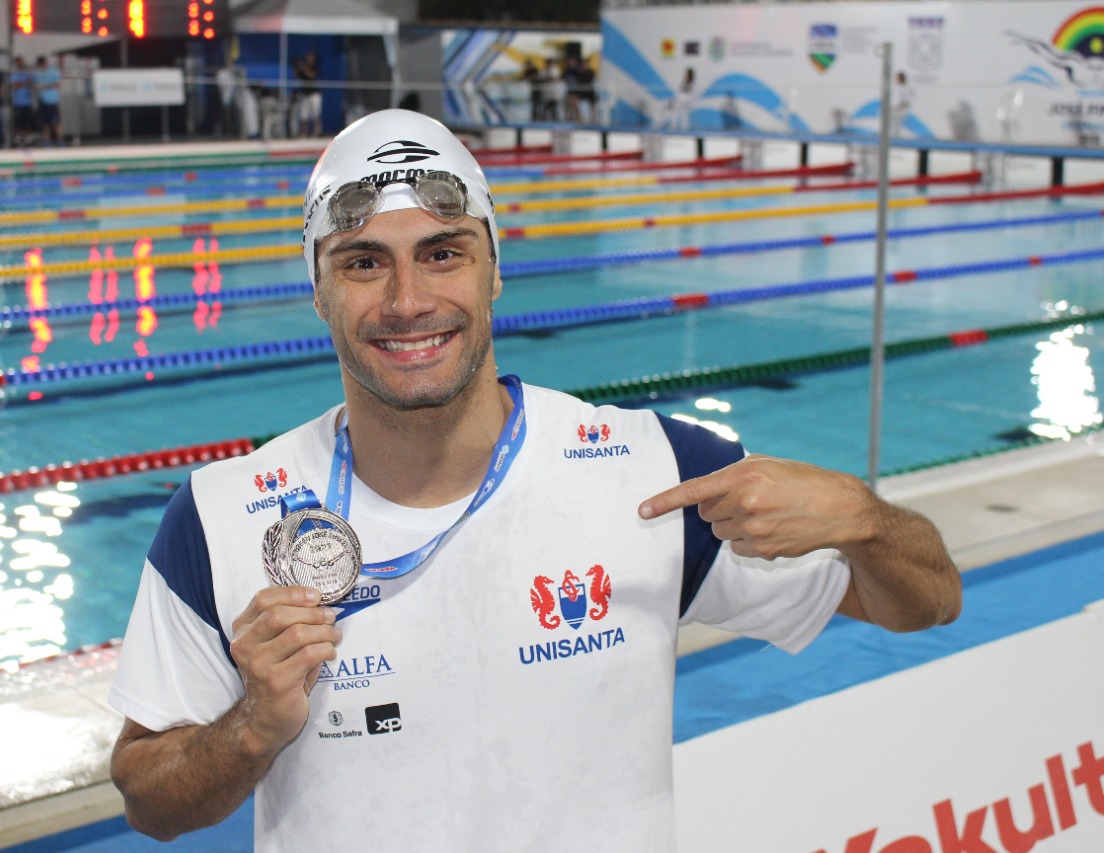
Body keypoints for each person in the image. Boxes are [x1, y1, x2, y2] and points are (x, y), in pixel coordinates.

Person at [107, 109, 962, 851]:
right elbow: (150, 799)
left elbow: (927, 599)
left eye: (443, 252)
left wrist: (865, 519)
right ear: (319, 289)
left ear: (495, 269)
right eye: (364, 262)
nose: (408, 299)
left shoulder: (657, 471)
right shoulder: (222, 516)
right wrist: (252, 726)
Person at [33, 55, 62, 145]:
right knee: (45, 124)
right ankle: (47, 141)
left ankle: (60, 141)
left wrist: (45, 86)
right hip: (42, 102)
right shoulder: (37, 73)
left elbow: (57, 84)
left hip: (52, 102)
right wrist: (42, 86)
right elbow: (35, 85)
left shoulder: (53, 72)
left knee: (55, 123)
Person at [292, 51, 321, 137]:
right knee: (304, 115)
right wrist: (297, 68)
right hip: (305, 94)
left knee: (316, 114)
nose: (309, 60)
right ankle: (304, 133)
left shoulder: (315, 67)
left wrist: (304, 68)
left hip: (314, 94)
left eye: (310, 58)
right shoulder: (303, 67)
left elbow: (312, 75)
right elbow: (296, 75)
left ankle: (317, 132)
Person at [10, 56, 36, 147]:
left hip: (27, 102)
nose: (20, 64)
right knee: (17, 122)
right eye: (18, 63)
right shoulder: (14, 74)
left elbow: (32, 84)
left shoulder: (27, 73)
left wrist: (23, 83)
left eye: (21, 62)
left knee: (28, 122)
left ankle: (28, 139)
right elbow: (13, 86)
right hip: (17, 102)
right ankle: (16, 139)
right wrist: (24, 83)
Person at [891, 70, 914, 137]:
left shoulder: (905, 88)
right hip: (896, 109)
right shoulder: (897, 88)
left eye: (898, 78)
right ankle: (893, 135)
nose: (896, 79)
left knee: (895, 121)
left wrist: (898, 107)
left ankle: (895, 136)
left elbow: (906, 101)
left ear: (901, 78)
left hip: (901, 110)